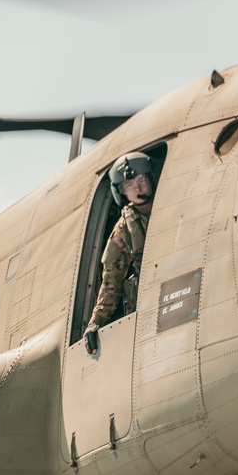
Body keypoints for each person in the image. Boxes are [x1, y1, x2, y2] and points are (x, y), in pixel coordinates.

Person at [83, 152, 156, 354]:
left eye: (141, 180)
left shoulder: (170, 202)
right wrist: (96, 321)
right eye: (130, 185)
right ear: (121, 191)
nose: (138, 188)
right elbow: (111, 280)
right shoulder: (125, 228)